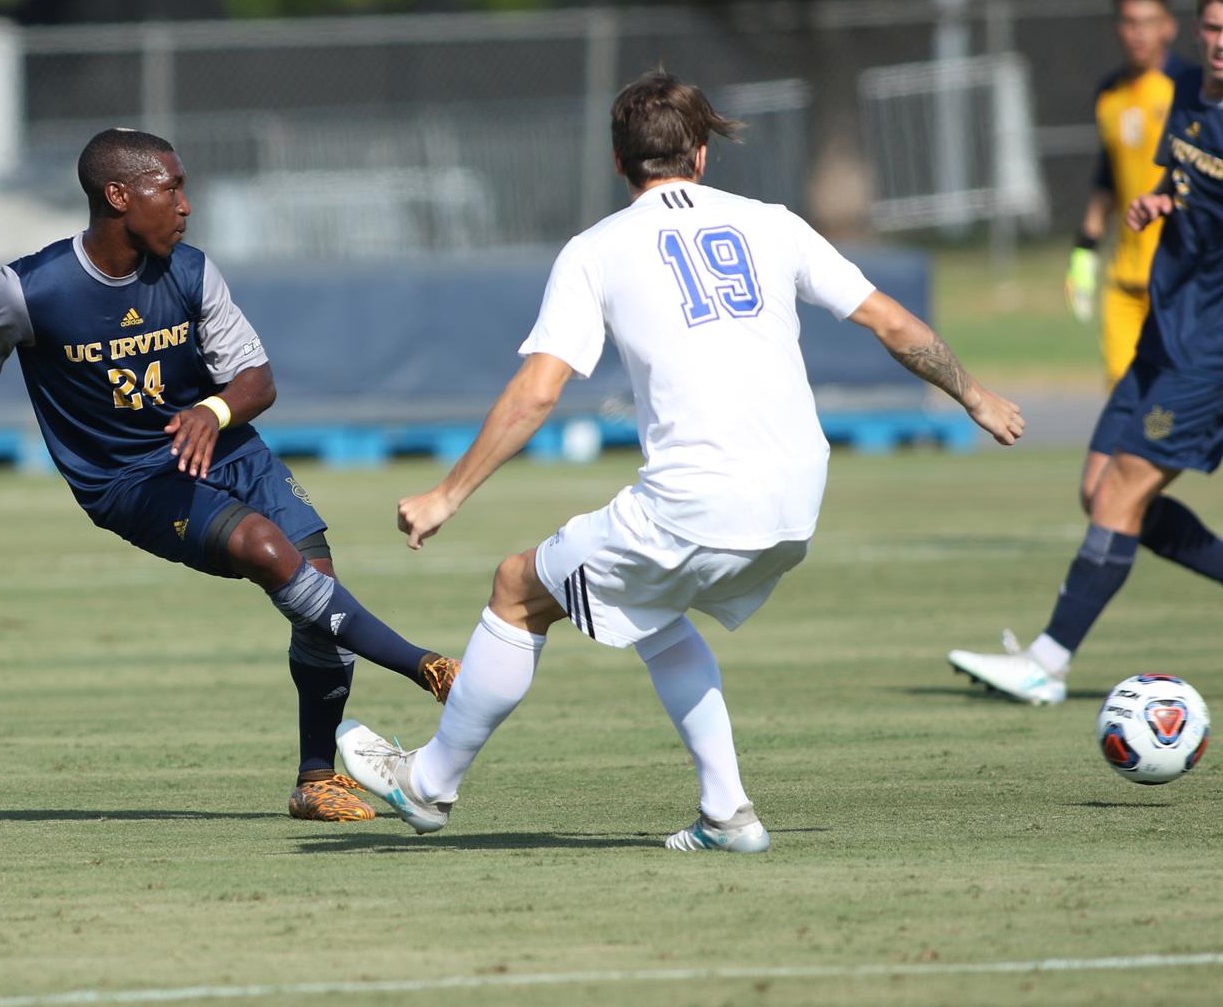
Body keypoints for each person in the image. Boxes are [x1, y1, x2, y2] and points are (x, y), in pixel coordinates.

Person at [333, 72, 1023, 851]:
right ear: (700, 156)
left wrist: (447, 494)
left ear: (619, 164)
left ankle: (427, 786)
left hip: (698, 502)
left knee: (518, 588)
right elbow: (892, 323)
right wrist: (976, 397)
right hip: (798, 501)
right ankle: (728, 814)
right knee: (654, 615)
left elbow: (537, 392)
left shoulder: (596, 249)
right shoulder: (772, 223)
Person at [0, 128, 458, 822]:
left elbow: (258, 380)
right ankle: (431, 669)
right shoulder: (29, 290)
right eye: (172, 187)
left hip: (227, 446)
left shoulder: (192, 272)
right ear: (119, 195)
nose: (186, 204)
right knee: (266, 554)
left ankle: (316, 778)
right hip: (127, 479)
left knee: (316, 583)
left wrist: (213, 411)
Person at [950, 0, 1223, 705]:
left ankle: (1046, 662)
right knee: (1097, 488)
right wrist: (1160, 203)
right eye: (1215, 27)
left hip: (1209, 353)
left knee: (1124, 489)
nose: (1220, 42)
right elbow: (1179, 176)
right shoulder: (1191, 90)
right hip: (1160, 331)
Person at [1068, 0, 1197, 394]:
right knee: (1123, 401)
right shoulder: (1109, 93)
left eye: (1147, 23)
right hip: (1125, 277)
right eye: (1129, 23)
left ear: (1168, 28)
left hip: (1182, 276)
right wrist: (1084, 251)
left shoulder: (1192, 88)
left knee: (1178, 403)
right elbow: (1108, 174)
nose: (1138, 33)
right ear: (1117, 29)